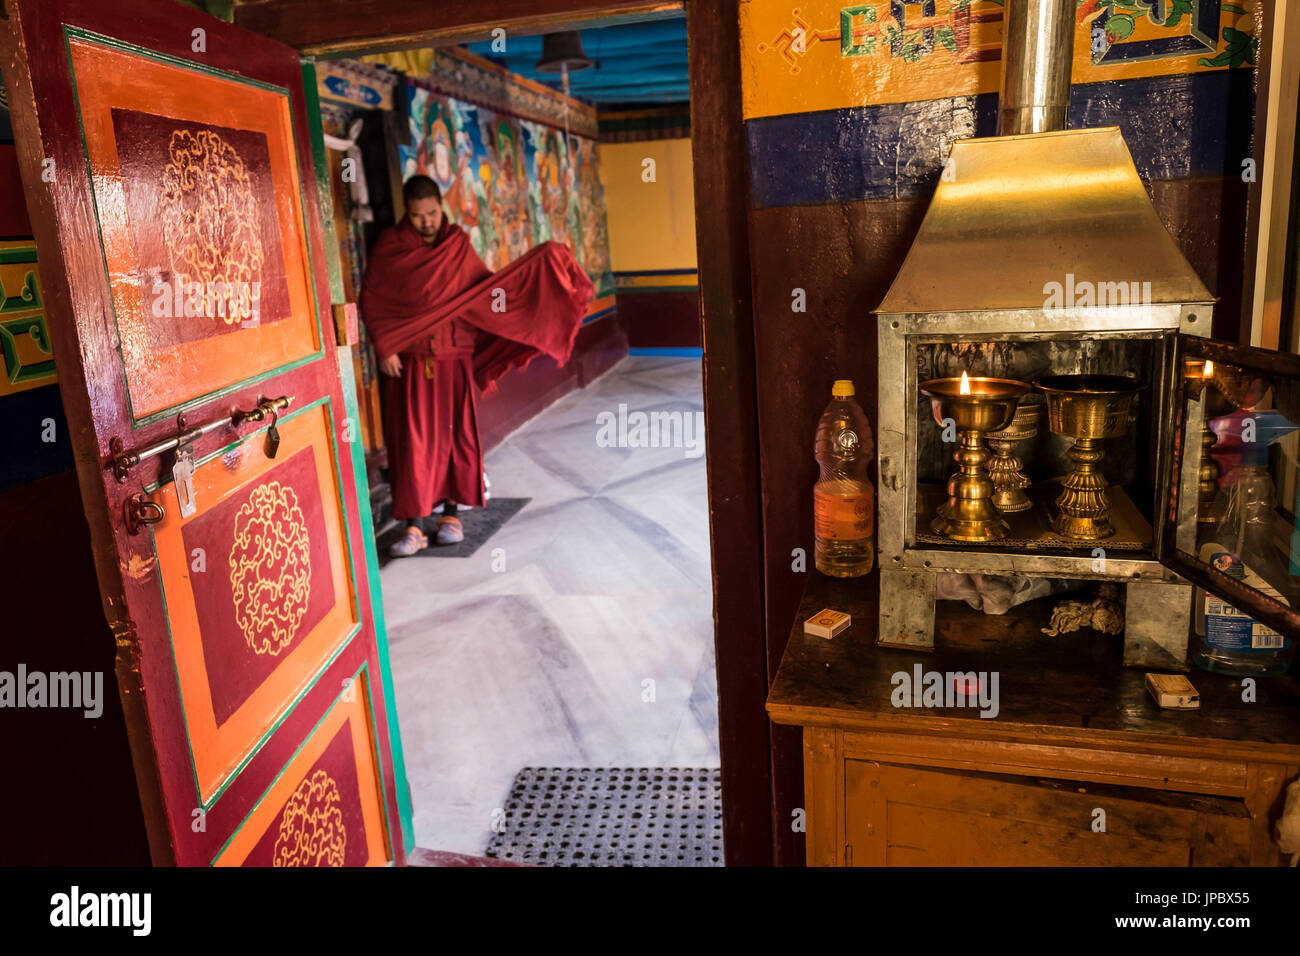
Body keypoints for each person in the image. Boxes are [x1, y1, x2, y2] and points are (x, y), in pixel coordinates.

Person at [359, 174, 594, 556]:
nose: (427, 222)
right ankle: (414, 526)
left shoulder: (457, 245)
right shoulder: (392, 248)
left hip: (454, 357)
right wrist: (385, 347)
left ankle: (451, 516)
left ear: (442, 208)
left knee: (455, 438)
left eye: (432, 213)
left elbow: (483, 293)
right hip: (412, 364)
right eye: (418, 216)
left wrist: (530, 286)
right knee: (413, 443)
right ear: (407, 213)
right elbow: (373, 300)